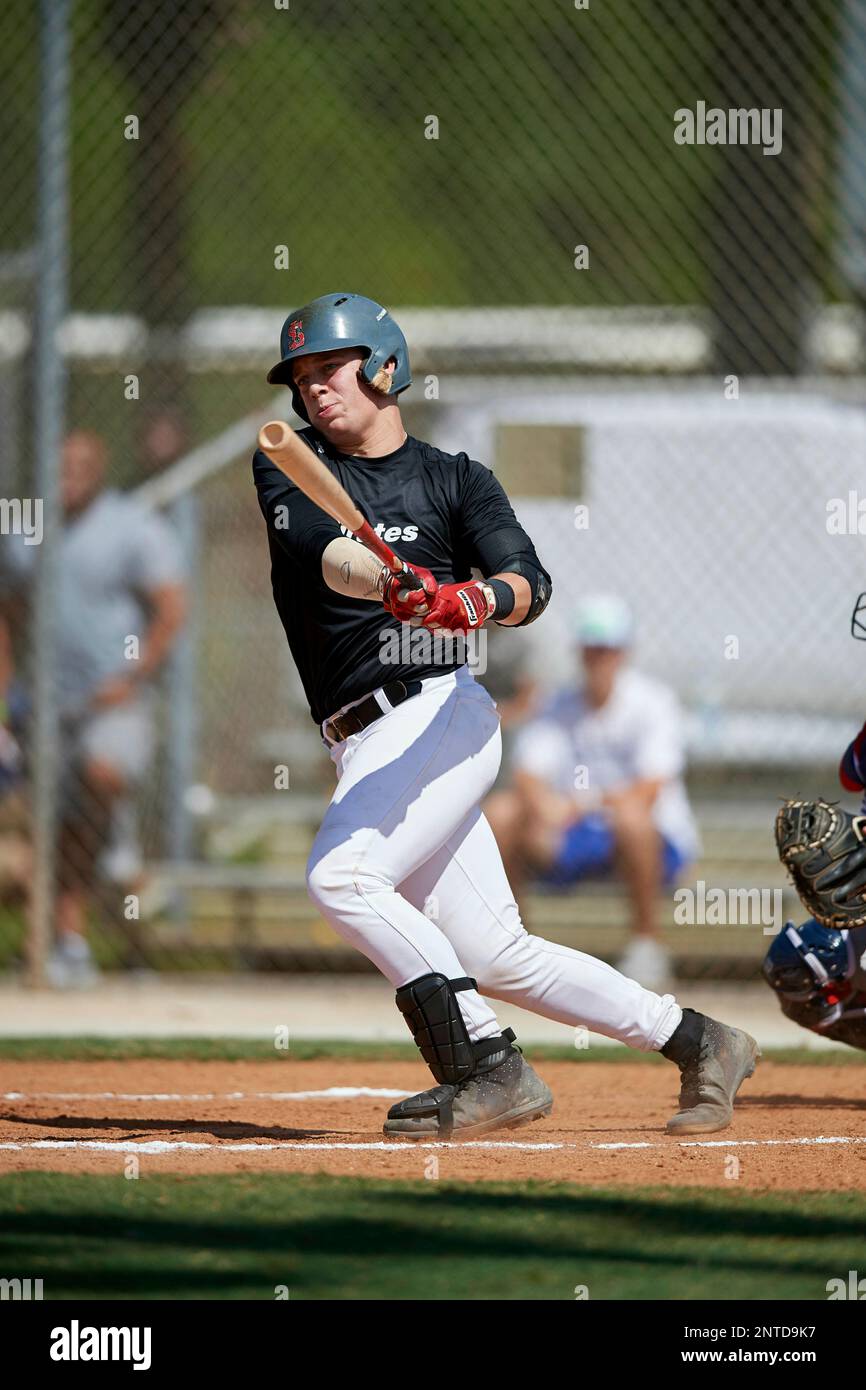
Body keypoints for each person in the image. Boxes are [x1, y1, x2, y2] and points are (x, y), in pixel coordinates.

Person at [253, 291, 758, 1139]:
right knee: (496, 955)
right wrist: (392, 582)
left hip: (436, 711)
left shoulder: (457, 480)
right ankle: (704, 1041)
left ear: (384, 367)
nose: (312, 390)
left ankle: (487, 1066)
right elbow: (327, 555)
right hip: (360, 736)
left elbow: (531, 583)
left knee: (341, 878)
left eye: (328, 369)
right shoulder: (291, 462)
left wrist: (466, 602)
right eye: (300, 377)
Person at [0, 430, 187, 985]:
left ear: (99, 469)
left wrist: (133, 676)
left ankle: (121, 850)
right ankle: (71, 944)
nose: (69, 473)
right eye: (60, 463)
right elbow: (8, 611)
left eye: (81, 463)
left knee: (102, 773)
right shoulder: (24, 530)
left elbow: (172, 606)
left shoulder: (131, 526)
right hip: (44, 705)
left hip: (113, 699)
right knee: (57, 825)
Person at [484, 596, 699, 990]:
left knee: (632, 818)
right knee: (501, 811)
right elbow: (528, 772)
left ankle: (646, 944)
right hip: (575, 834)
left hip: (646, 840)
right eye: (591, 650)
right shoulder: (559, 703)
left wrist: (577, 806)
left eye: (607, 650)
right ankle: (516, 948)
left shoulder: (652, 701)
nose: (599, 659)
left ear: (623, 652)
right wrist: (545, 809)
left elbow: (650, 789)